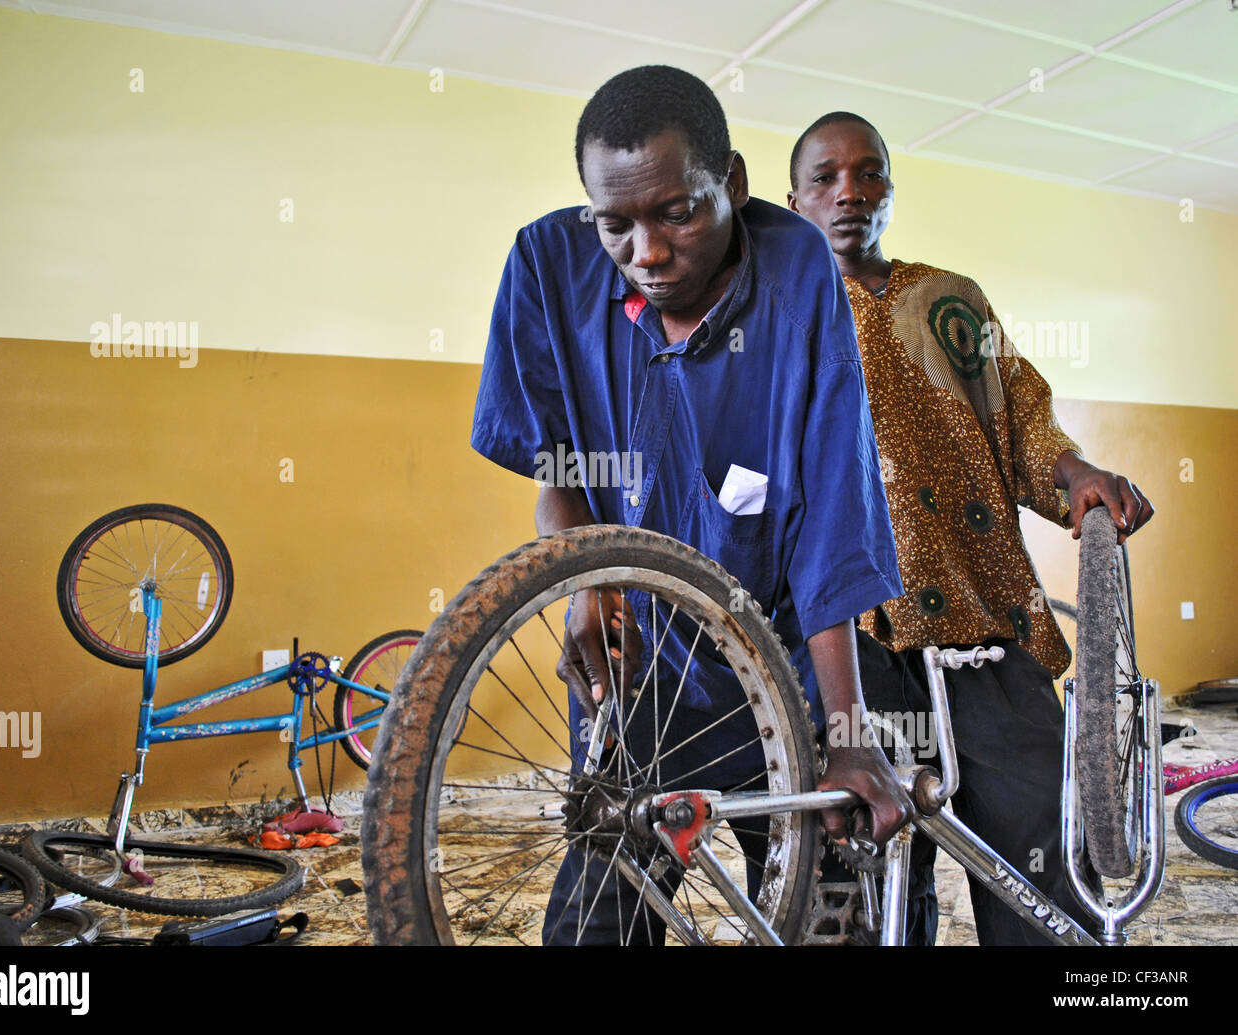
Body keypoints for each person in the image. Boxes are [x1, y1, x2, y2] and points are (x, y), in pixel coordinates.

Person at [471, 67, 913, 944]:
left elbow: (828, 516)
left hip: (778, 661)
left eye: (679, 212)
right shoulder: (547, 265)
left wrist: (848, 732)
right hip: (635, 666)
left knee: (828, 909)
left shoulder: (799, 276)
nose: (648, 251)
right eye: (616, 224)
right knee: (600, 914)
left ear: (735, 186)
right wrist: (585, 590)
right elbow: (553, 456)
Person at [787, 112, 1154, 945]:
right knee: (869, 871)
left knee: (1044, 864)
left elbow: (1023, 417)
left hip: (985, 623)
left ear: (888, 185)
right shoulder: (781, 318)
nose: (850, 191)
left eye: (870, 172)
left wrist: (1079, 476)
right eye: (826, 177)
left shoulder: (951, 299)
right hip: (855, 641)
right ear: (794, 198)